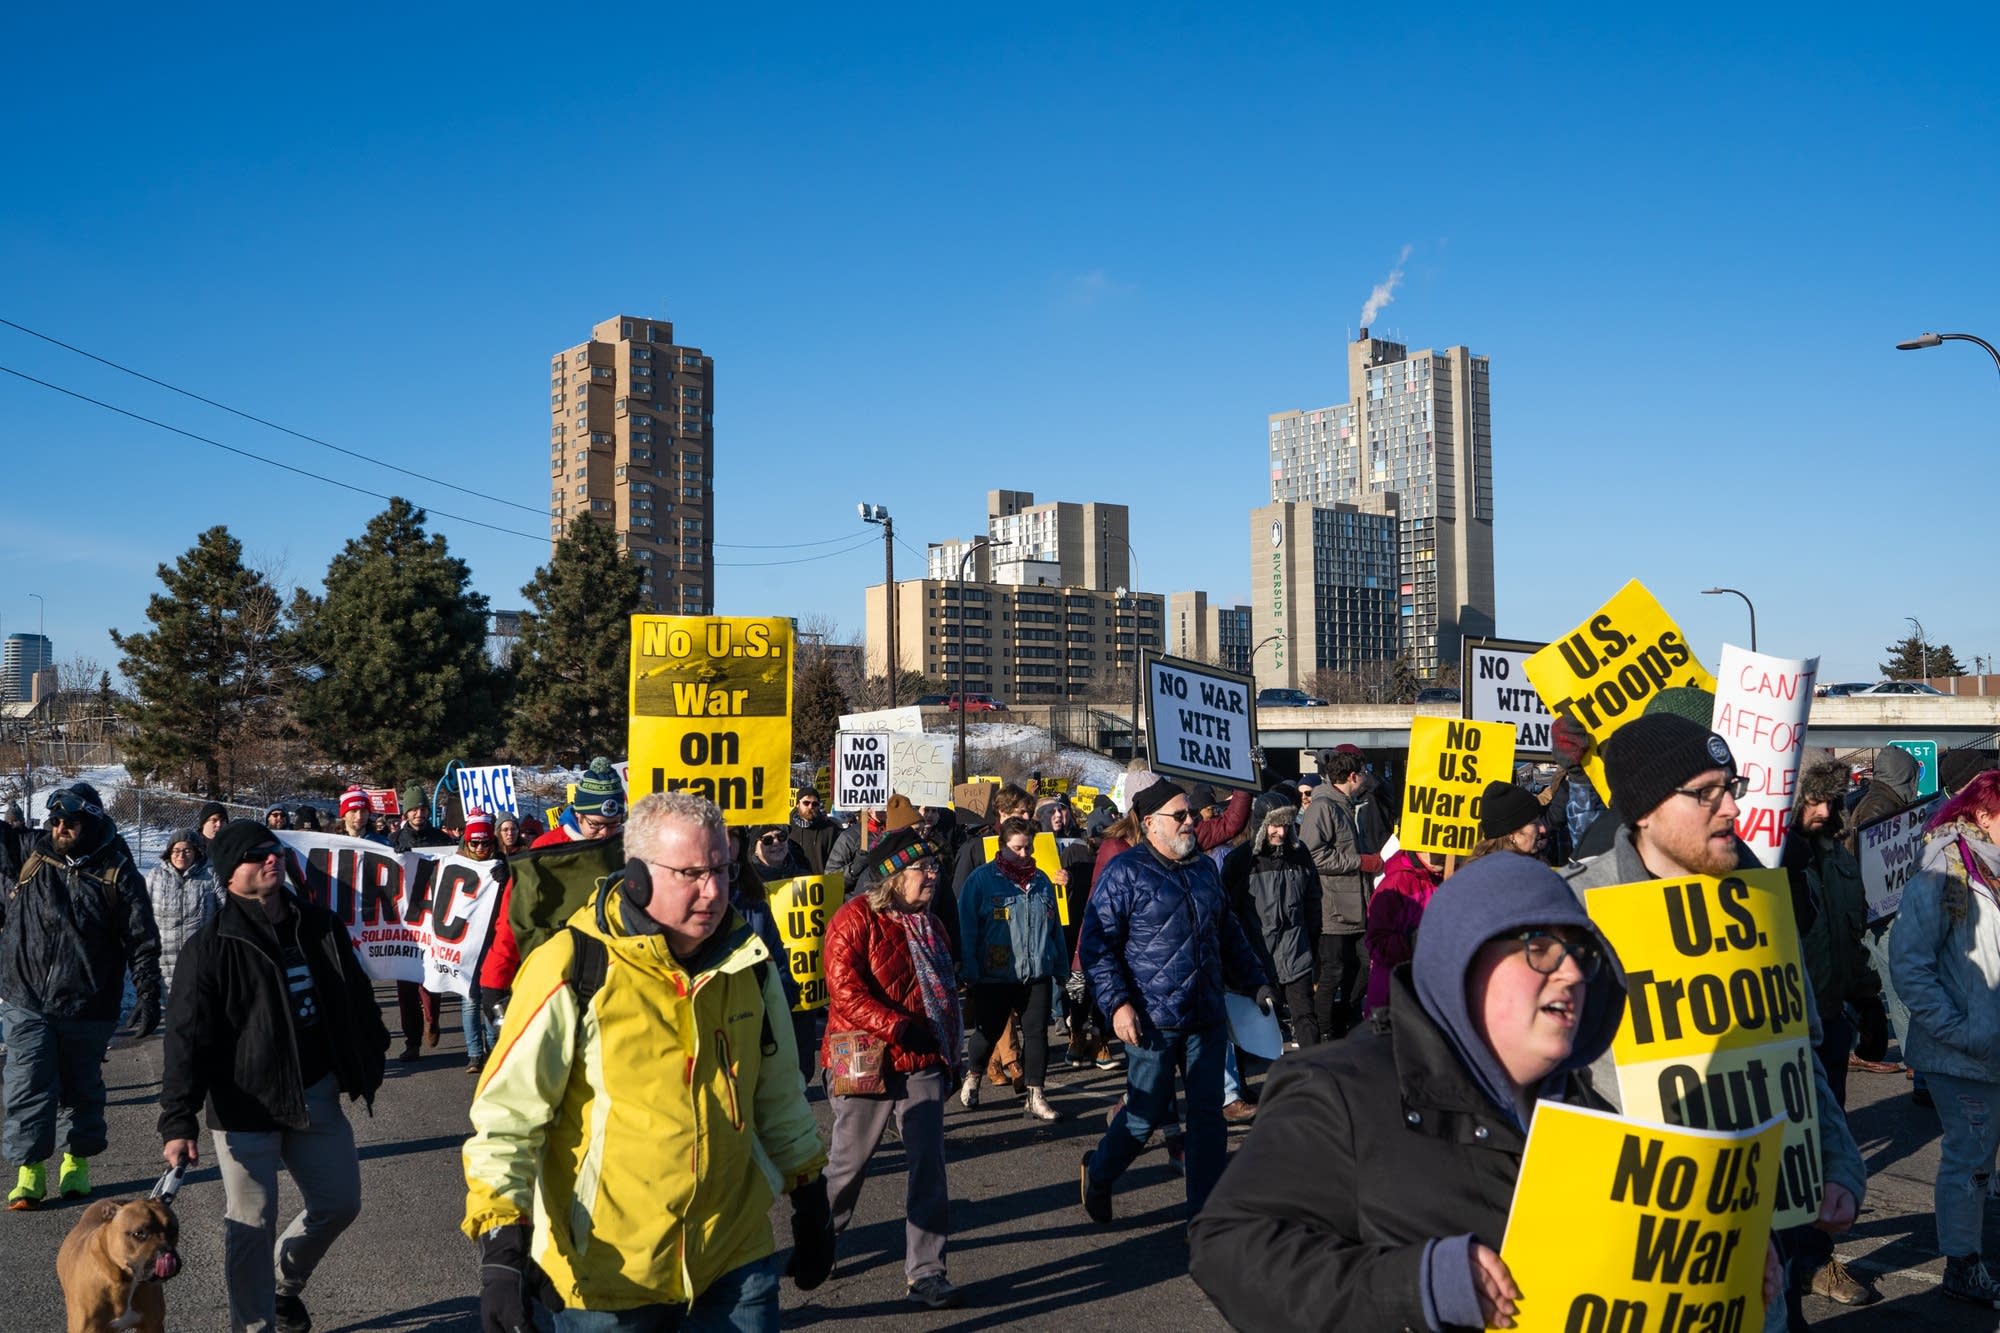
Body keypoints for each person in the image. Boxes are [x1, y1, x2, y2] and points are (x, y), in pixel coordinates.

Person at [1189, 853, 1648, 1332]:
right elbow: (1226, 1247)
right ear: (1463, 953)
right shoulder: (1340, 1091)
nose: (1572, 974)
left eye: (1581, 954)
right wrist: (1415, 1287)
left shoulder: (1588, 1110)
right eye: (1540, 946)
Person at [466, 792, 830, 1330]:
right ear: (636, 876)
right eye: (690, 873)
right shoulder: (569, 967)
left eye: (723, 870)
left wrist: (810, 1194)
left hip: (735, 1254)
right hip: (608, 1274)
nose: (713, 890)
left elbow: (776, 1095)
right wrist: (502, 1248)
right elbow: (507, 1120)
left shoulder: (748, 962)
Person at [1567, 714, 1868, 1333]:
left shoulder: (1760, 896)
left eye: (1732, 786)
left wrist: (1837, 1162)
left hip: (1764, 1238)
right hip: (1639, 1250)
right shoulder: (1575, 912)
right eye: (1706, 792)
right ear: (1645, 810)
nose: (1731, 807)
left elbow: (1797, 1052)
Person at [159, 820, 389, 1333]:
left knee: (339, 1203)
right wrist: (178, 1122)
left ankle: (283, 1285)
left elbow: (355, 997)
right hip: (246, 1108)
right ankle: (255, 1325)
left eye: (276, 851)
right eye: (257, 854)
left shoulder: (319, 924)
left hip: (315, 1095)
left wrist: (370, 1049)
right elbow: (185, 1040)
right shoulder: (211, 947)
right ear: (229, 874)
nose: (272, 859)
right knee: (250, 1226)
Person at [1079, 780, 1271, 1224]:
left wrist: (1256, 982)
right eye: (1180, 816)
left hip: (1205, 1014)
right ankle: (1100, 1171)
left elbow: (1230, 934)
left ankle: (1202, 1219)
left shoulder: (1203, 869)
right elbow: (1097, 947)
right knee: (1143, 1117)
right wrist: (1118, 1005)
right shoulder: (1125, 872)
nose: (1191, 822)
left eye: (1190, 814)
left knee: (1208, 1119)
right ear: (1149, 824)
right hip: (1151, 1020)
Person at [820, 829, 963, 1309]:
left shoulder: (933, 926)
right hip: (865, 1058)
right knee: (848, 1166)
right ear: (892, 876)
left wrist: (950, 1052)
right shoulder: (852, 920)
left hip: (920, 1060)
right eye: (922, 869)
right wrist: (899, 1027)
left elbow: (946, 996)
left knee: (929, 1166)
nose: (932, 875)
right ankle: (820, 1239)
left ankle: (927, 1272)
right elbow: (845, 993)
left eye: (934, 868)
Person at [1, 785, 162, 1210]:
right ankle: (29, 1173)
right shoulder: (28, 853)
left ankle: (77, 1162)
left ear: (89, 822)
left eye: (69, 822)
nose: (60, 828)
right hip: (27, 996)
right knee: (27, 1084)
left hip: (88, 1003)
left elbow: (141, 939)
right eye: (55, 822)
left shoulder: (118, 871)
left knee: (82, 1089)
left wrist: (148, 993)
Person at [1888, 771, 2000, 1307]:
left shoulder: (1992, 869)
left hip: (1989, 1044)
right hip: (1962, 1053)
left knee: (1982, 1161)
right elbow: (1910, 966)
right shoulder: (1942, 870)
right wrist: (1960, 1031)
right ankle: (1963, 1264)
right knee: (1970, 1158)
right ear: (1982, 815)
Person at [1784, 761, 1880, 1307]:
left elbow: (1853, 937)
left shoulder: (1841, 862)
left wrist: (1868, 1001)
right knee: (1792, 1157)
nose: (1823, 811)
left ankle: (1817, 1260)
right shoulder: (1772, 862)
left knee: (1826, 1155)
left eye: (1830, 801)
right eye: (1813, 801)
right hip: (1788, 1028)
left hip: (1832, 1021)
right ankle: (1798, 1263)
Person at [479, 759, 627, 1006]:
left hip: (617, 979)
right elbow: (513, 920)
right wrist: (495, 981)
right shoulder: (547, 850)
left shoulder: (628, 846)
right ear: (578, 814)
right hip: (557, 978)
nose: (605, 834)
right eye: (596, 825)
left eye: (614, 825)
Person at [957, 817, 1066, 1121]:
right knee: (987, 1031)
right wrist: (970, 969)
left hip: (1037, 972)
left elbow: (1054, 925)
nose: (1024, 854)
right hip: (995, 973)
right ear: (1002, 846)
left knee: (1036, 1035)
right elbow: (967, 929)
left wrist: (1060, 966)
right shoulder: (980, 881)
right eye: (1017, 848)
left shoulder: (1042, 879)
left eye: (1028, 847)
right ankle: (974, 1074)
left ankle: (1035, 1095)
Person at [1299, 748, 1385, 1039]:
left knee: (1364, 963)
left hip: (1354, 906)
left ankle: (1344, 1019)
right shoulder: (1323, 807)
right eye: (1364, 773)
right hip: (1333, 908)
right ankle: (1326, 1031)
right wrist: (1360, 862)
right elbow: (1312, 855)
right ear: (1352, 776)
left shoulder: (1347, 805)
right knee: (1333, 972)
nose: (1367, 779)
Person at [1221, 803, 1321, 1048]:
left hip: (1296, 953)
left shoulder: (1300, 854)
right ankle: (1253, 1085)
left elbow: (1313, 904)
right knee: (1255, 1029)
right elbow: (1227, 914)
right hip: (1257, 958)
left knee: (1306, 1018)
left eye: (1287, 825)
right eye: (1275, 825)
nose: (1282, 832)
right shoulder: (1240, 860)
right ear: (1261, 825)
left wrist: (1314, 948)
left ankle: (1315, 1076)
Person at [388, 784, 452, 1061]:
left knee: (431, 981)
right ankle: (411, 1041)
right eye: (414, 809)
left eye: (423, 809)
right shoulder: (393, 840)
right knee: (405, 986)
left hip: (432, 918)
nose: (418, 813)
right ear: (406, 812)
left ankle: (432, 1019)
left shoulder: (441, 839)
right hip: (405, 923)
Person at [1361, 846, 1444, 1018]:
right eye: (1435, 849)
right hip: (1395, 1001)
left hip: (1432, 998)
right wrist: (1413, 942)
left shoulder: (1454, 879)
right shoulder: (1395, 884)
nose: (1443, 854)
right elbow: (1376, 944)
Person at [147, 829, 221, 998]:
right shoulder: (155, 876)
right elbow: (143, 916)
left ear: (197, 852)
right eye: (176, 850)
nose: (181, 855)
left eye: (187, 850)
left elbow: (225, 911)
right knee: (172, 1014)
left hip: (200, 960)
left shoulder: (211, 876)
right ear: (169, 852)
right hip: (164, 961)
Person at [456, 810, 503, 1075]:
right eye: (475, 842)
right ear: (466, 842)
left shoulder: (502, 864)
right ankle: (474, 1053)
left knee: (491, 997)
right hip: (465, 942)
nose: (481, 848)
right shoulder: (454, 864)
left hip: (493, 942)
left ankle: (495, 1048)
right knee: (470, 999)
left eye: (486, 843)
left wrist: (507, 874)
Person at [1468, 780, 1546, 860]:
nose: (1543, 829)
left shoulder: (1475, 867)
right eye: (1534, 823)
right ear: (1511, 835)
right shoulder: (1524, 870)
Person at [789, 790, 840, 875]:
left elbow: (837, 859)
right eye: (806, 803)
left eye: (815, 804)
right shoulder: (787, 828)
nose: (810, 806)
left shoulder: (830, 829)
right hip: (794, 883)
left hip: (821, 883)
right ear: (797, 804)